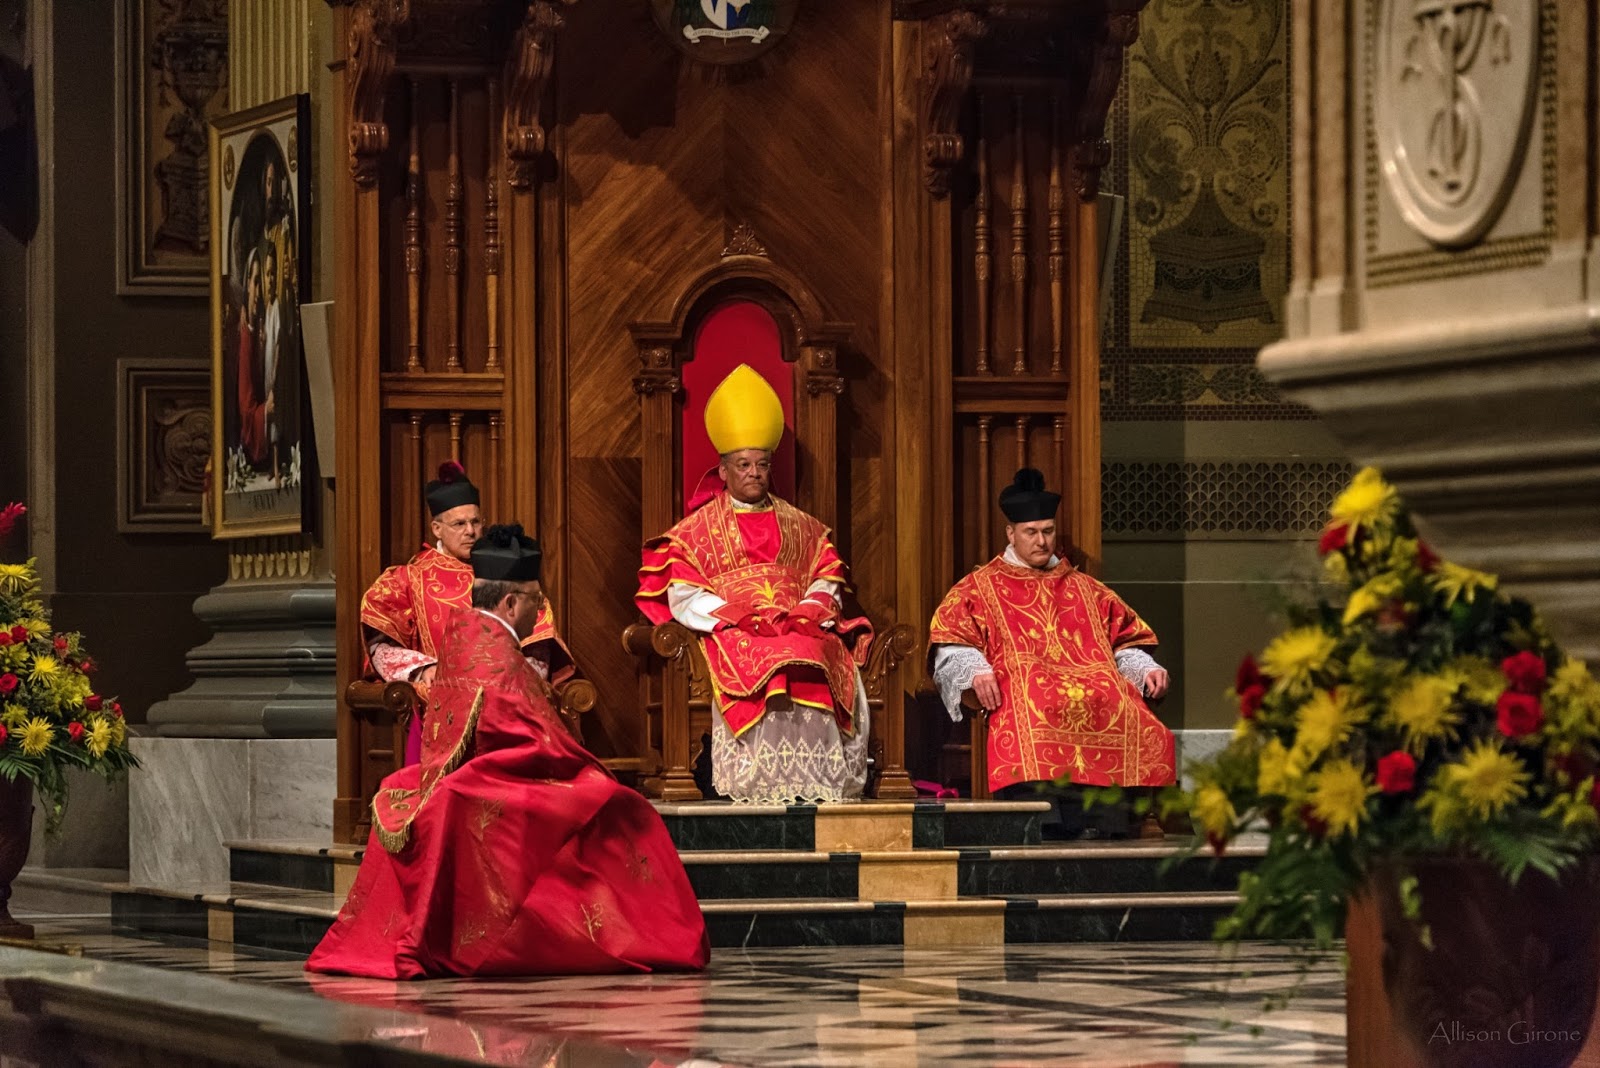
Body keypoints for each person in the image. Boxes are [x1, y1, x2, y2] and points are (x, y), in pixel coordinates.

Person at [308, 524, 708, 979]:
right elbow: (540, 745)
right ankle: (653, 939)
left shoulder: (463, 638)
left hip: (471, 779)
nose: (539, 609)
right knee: (625, 807)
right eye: (535, 600)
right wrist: (592, 770)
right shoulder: (498, 662)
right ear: (510, 602)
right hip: (505, 785)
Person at [636, 364, 873, 804]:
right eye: (743, 465)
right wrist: (734, 617)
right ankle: (758, 782)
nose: (754, 473)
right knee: (763, 654)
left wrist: (808, 609)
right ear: (723, 471)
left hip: (796, 626)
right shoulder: (696, 531)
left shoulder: (801, 525)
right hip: (736, 632)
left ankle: (814, 781)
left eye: (761, 464)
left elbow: (827, 573)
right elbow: (683, 593)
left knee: (813, 649)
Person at [928, 468, 1176, 837]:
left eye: (1048, 531)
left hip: (1094, 680)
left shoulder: (1087, 588)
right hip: (1023, 685)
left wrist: (1145, 667)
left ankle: (1106, 819)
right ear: (1011, 533)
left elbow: (1124, 641)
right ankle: (1045, 821)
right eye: (1031, 532)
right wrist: (976, 671)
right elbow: (952, 641)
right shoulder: (978, 587)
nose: (1042, 541)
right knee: (1037, 698)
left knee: (1119, 700)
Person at [361, 462, 575, 765]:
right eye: (459, 524)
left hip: (506, 700)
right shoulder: (407, 578)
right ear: (436, 527)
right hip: (437, 697)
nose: (471, 532)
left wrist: (511, 681)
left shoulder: (505, 567)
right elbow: (380, 646)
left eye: (476, 522)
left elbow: (538, 639)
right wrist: (424, 670)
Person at [235, 248, 269, 467]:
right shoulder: (245, 335)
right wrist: (268, 409)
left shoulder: (257, 329)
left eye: (261, 284)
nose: (258, 292)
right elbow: (247, 411)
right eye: (255, 283)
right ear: (247, 285)